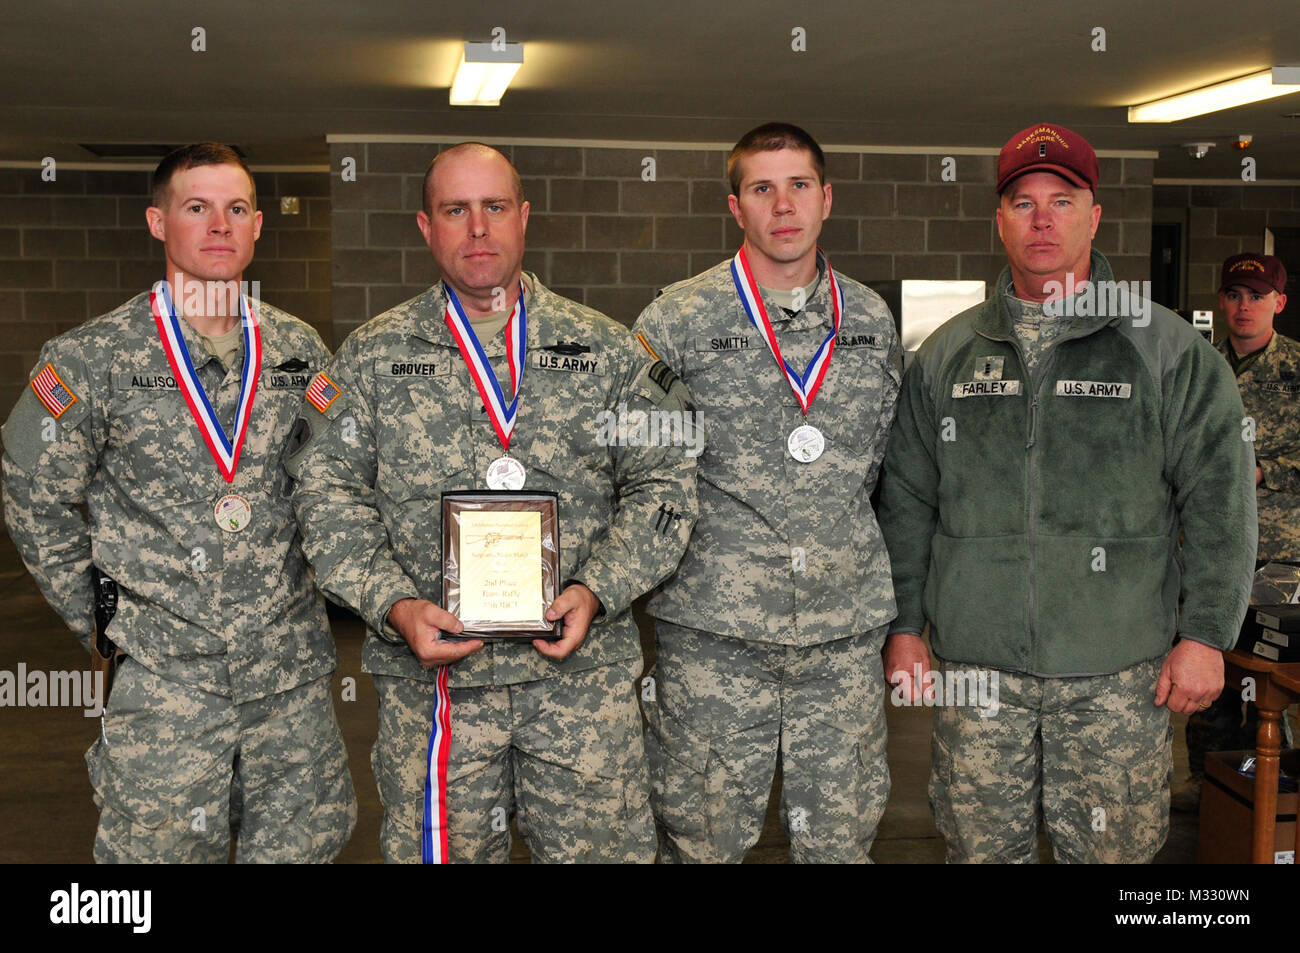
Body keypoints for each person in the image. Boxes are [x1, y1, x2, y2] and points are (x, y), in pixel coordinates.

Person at [286, 142, 698, 864]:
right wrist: (394, 605)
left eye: (495, 207)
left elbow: (665, 488)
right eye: (456, 210)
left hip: (581, 686)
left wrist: (598, 590)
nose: (478, 229)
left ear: (524, 217)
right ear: (426, 226)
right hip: (436, 690)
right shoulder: (370, 356)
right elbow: (326, 495)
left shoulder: (609, 351)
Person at [877, 123, 1257, 863]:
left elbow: (1220, 500)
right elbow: (908, 499)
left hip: (1116, 675)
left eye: (1062, 199)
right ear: (999, 219)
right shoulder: (948, 356)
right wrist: (905, 625)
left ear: (1095, 215)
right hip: (977, 675)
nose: (1041, 219)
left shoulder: (1168, 349)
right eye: (1022, 202)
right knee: (979, 853)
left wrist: (1207, 634)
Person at [1, 142, 355, 863]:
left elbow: (336, 485)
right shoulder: (89, 358)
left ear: (257, 225)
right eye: (197, 207)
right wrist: (105, 622)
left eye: (235, 209)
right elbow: (29, 490)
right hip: (166, 688)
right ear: (158, 222)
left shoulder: (302, 351)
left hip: (289, 684)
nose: (218, 225)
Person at [630, 122, 902, 863]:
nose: (784, 206)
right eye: (762, 188)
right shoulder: (676, 321)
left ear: (827, 198)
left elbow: (879, 469)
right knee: (702, 841)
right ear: (736, 206)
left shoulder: (872, 322)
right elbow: (639, 470)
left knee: (840, 843)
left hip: (842, 639)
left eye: (800, 185)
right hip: (714, 635)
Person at [1175, 252, 1297, 811]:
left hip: (1279, 554)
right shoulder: (1198, 365)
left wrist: (1265, 471)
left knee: (1271, 683)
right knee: (1208, 670)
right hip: (1209, 547)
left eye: (1256, 296)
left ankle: (1266, 789)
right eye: (1234, 296)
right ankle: (1210, 783)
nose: (1243, 307)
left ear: (1279, 301)